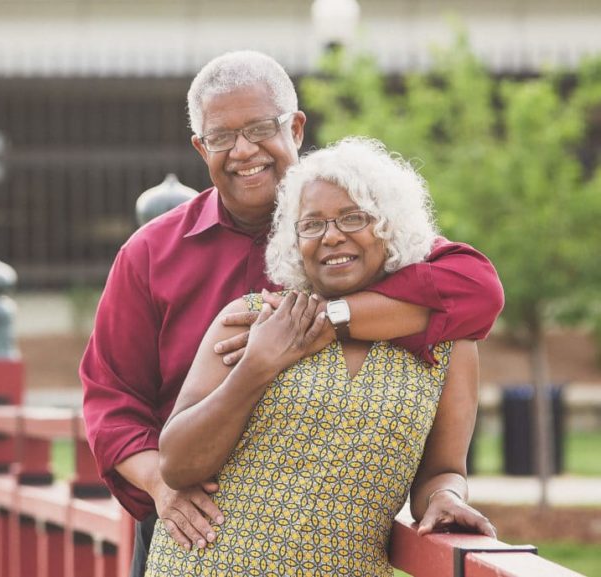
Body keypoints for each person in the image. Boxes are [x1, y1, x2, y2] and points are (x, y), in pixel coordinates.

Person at [80, 51, 504, 576]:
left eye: (260, 128)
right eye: (221, 137)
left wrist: (326, 320)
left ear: (296, 127)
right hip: (189, 523)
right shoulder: (150, 254)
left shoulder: (357, 233)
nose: (243, 151)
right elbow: (111, 400)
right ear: (200, 147)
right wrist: (162, 485)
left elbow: (476, 290)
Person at [146, 136, 496, 576]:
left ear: (390, 226)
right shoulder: (254, 319)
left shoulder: (445, 340)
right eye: (311, 225)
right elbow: (177, 465)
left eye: (353, 218)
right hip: (207, 565)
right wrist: (258, 365)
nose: (331, 236)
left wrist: (446, 497)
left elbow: (443, 470)